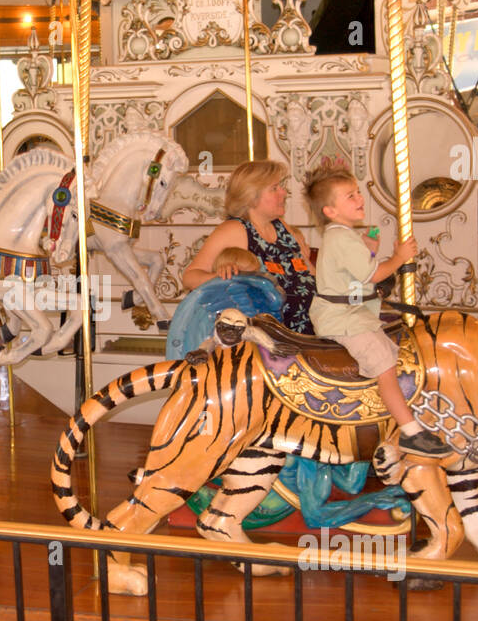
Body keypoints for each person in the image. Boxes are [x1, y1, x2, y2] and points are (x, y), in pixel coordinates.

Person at [304, 162, 450, 457]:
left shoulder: (343, 237)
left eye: (358, 193)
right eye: (349, 196)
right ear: (329, 211)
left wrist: (370, 249)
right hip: (342, 320)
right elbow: (373, 276)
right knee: (384, 364)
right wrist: (398, 257)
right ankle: (410, 432)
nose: (359, 199)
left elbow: (356, 280)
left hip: (353, 313)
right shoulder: (341, 238)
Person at [181, 159, 316, 333]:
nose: (284, 192)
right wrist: (226, 277)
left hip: (307, 333)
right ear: (251, 196)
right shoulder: (235, 230)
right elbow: (190, 277)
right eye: (275, 188)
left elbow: (310, 273)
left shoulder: (282, 227)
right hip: (266, 342)